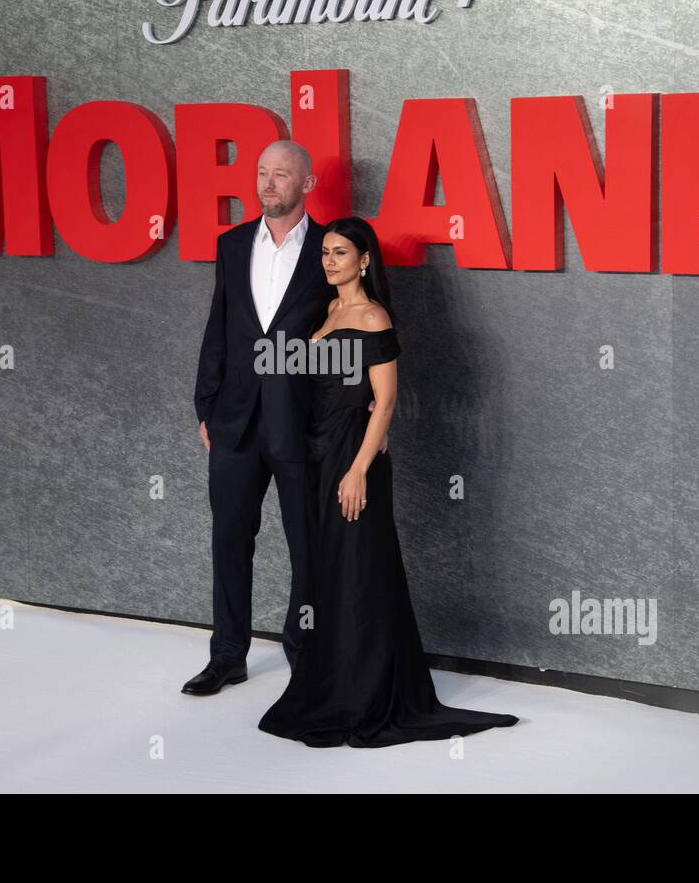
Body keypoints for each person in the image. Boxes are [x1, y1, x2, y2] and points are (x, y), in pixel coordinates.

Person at [257, 216, 519, 747]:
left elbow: (387, 402)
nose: (330, 261)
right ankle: (334, 679)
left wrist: (358, 469)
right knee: (330, 570)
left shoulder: (373, 318)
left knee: (360, 570)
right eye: (325, 252)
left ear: (364, 260)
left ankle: (366, 689)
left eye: (340, 253)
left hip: (354, 458)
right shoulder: (328, 311)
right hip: (318, 453)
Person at [182, 139, 335, 695]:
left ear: (307, 184)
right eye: (263, 173)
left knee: (308, 543)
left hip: (302, 424)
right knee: (229, 538)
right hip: (236, 422)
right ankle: (227, 654)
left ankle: (307, 652)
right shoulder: (230, 244)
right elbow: (218, 328)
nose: (269, 184)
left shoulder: (329, 249)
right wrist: (206, 405)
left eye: (282, 175)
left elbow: (351, 334)